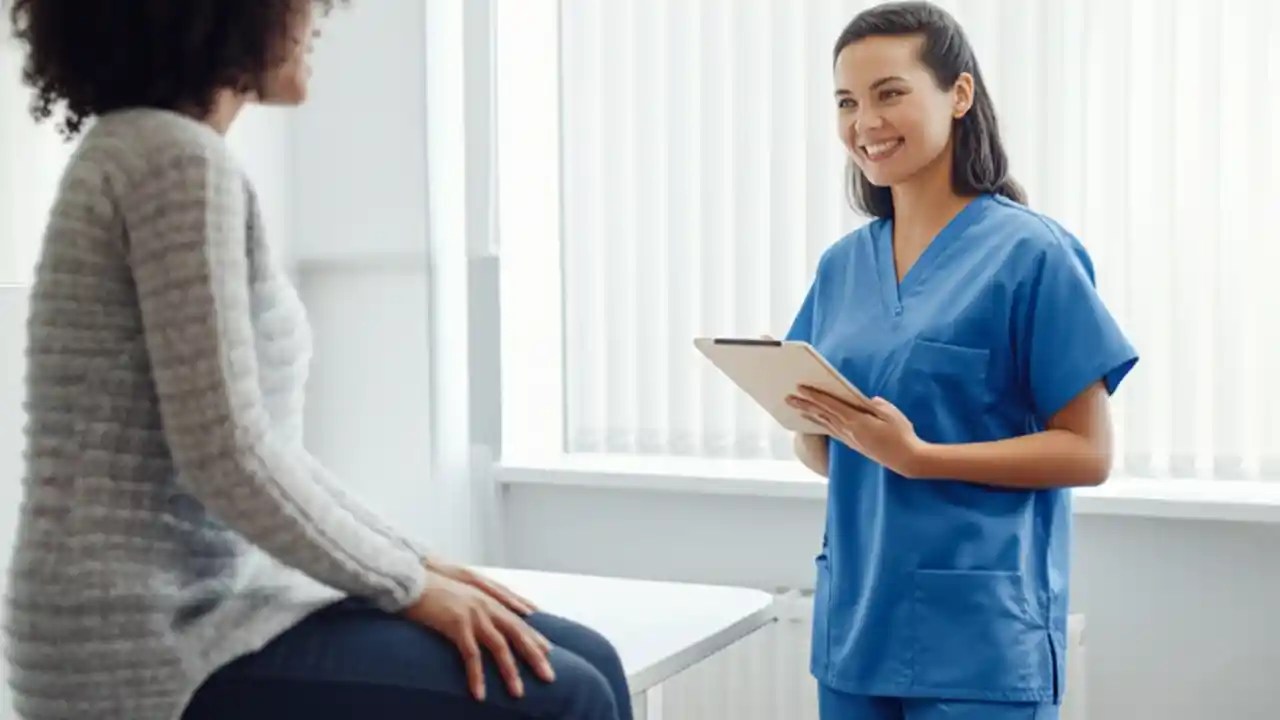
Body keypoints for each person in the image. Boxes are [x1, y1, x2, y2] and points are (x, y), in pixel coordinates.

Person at [3, 2, 632, 719]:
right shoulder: (173, 161)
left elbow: (263, 451)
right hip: (144, 639)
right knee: (567, 693)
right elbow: (228, 456)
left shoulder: (149, 151)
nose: (318, 17)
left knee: (590, 660)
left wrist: (415, 562)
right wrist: (408, 585)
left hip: (206, 608)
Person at [783, 3, 1138, 719]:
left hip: (979, 639)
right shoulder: (841, 268)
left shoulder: (1031, 254)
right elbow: (833, 453)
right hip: (857, 621)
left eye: (890, 93)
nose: (865, 123)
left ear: (960, 95)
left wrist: (921, 456)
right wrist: (815, 425)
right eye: (847, 102)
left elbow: (1087, 452)